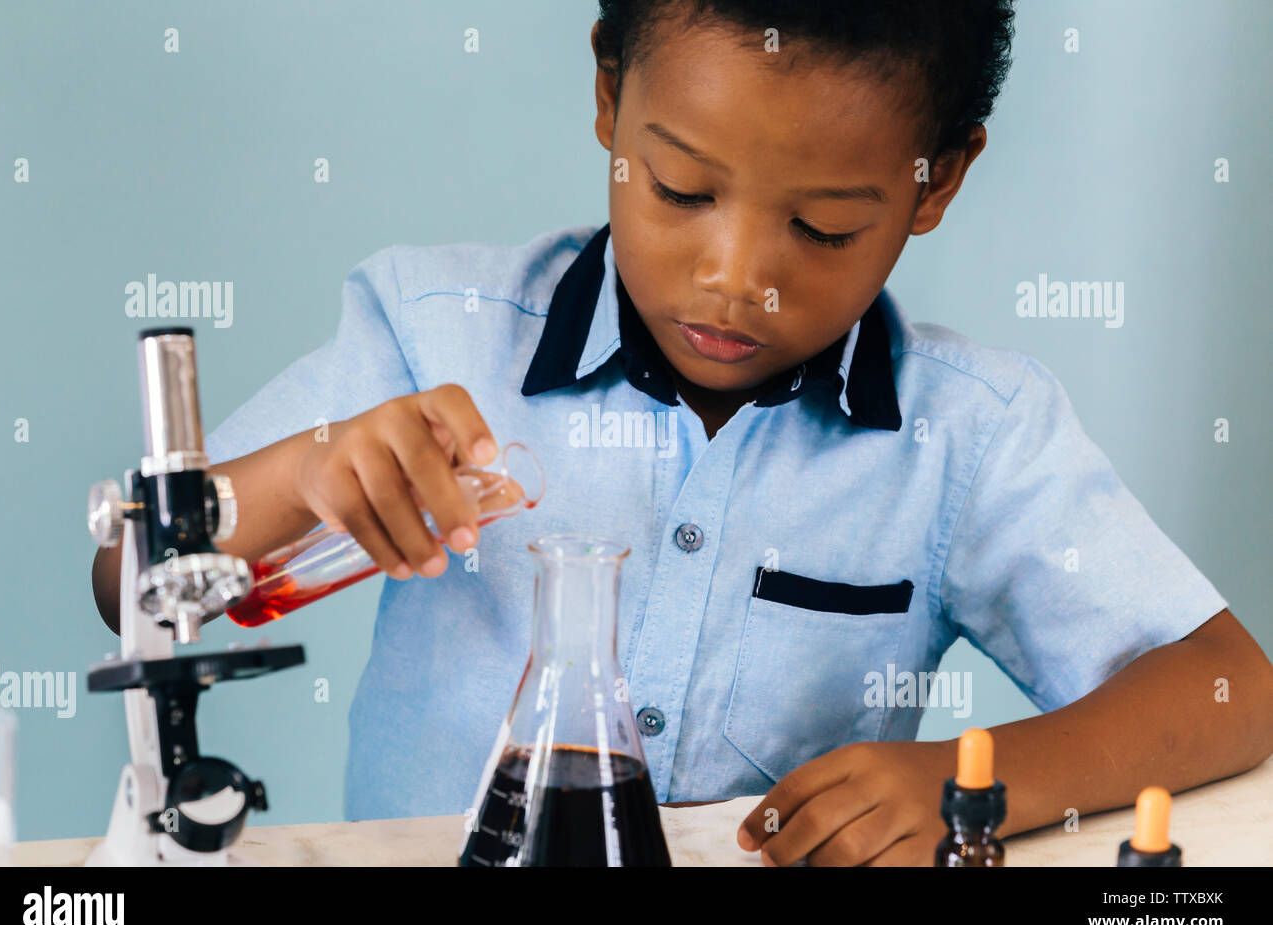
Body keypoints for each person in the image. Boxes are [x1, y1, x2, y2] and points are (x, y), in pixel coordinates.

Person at [91, 0, 1273, 866]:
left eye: (819, 228)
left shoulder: (968, 436)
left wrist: (977, 782)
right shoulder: (433, 334)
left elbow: (1230, 689)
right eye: (681, 192)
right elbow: (125, 577)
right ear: (609, 94)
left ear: (934, 183)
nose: (735, 279)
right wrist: (308, 467)